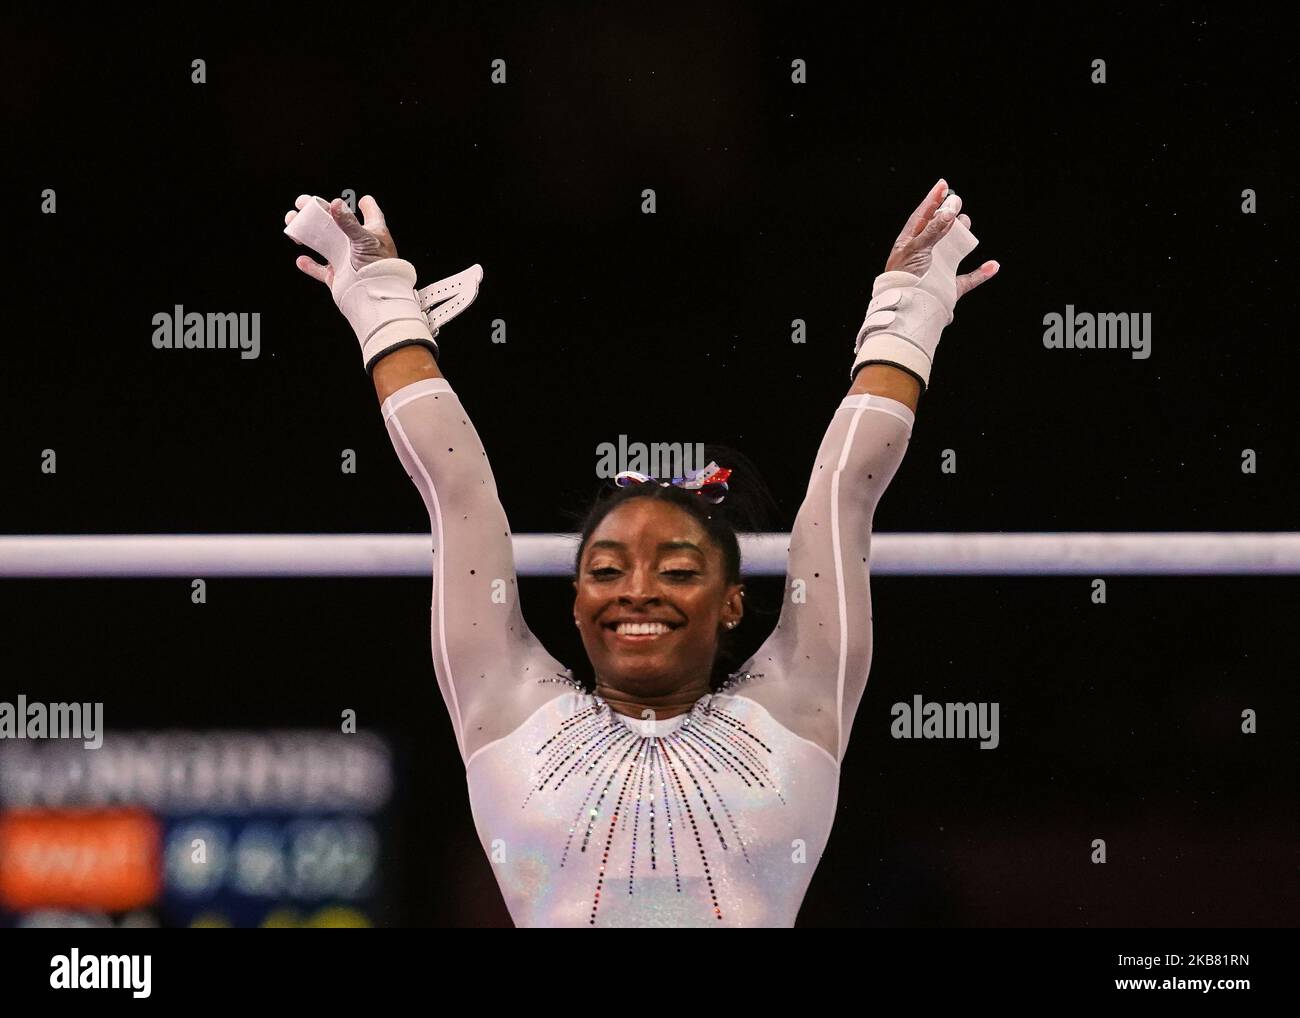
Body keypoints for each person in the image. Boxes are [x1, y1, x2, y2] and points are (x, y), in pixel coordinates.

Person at [283, 180, 998, 927]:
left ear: (732, 602)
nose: (638, 591)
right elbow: (455, 489)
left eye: (679, 571)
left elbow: (845, 491)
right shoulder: (507, 705)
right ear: (576, 601)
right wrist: (381, 303)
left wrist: (908, 312)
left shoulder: (797, 704)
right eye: (606, 570)